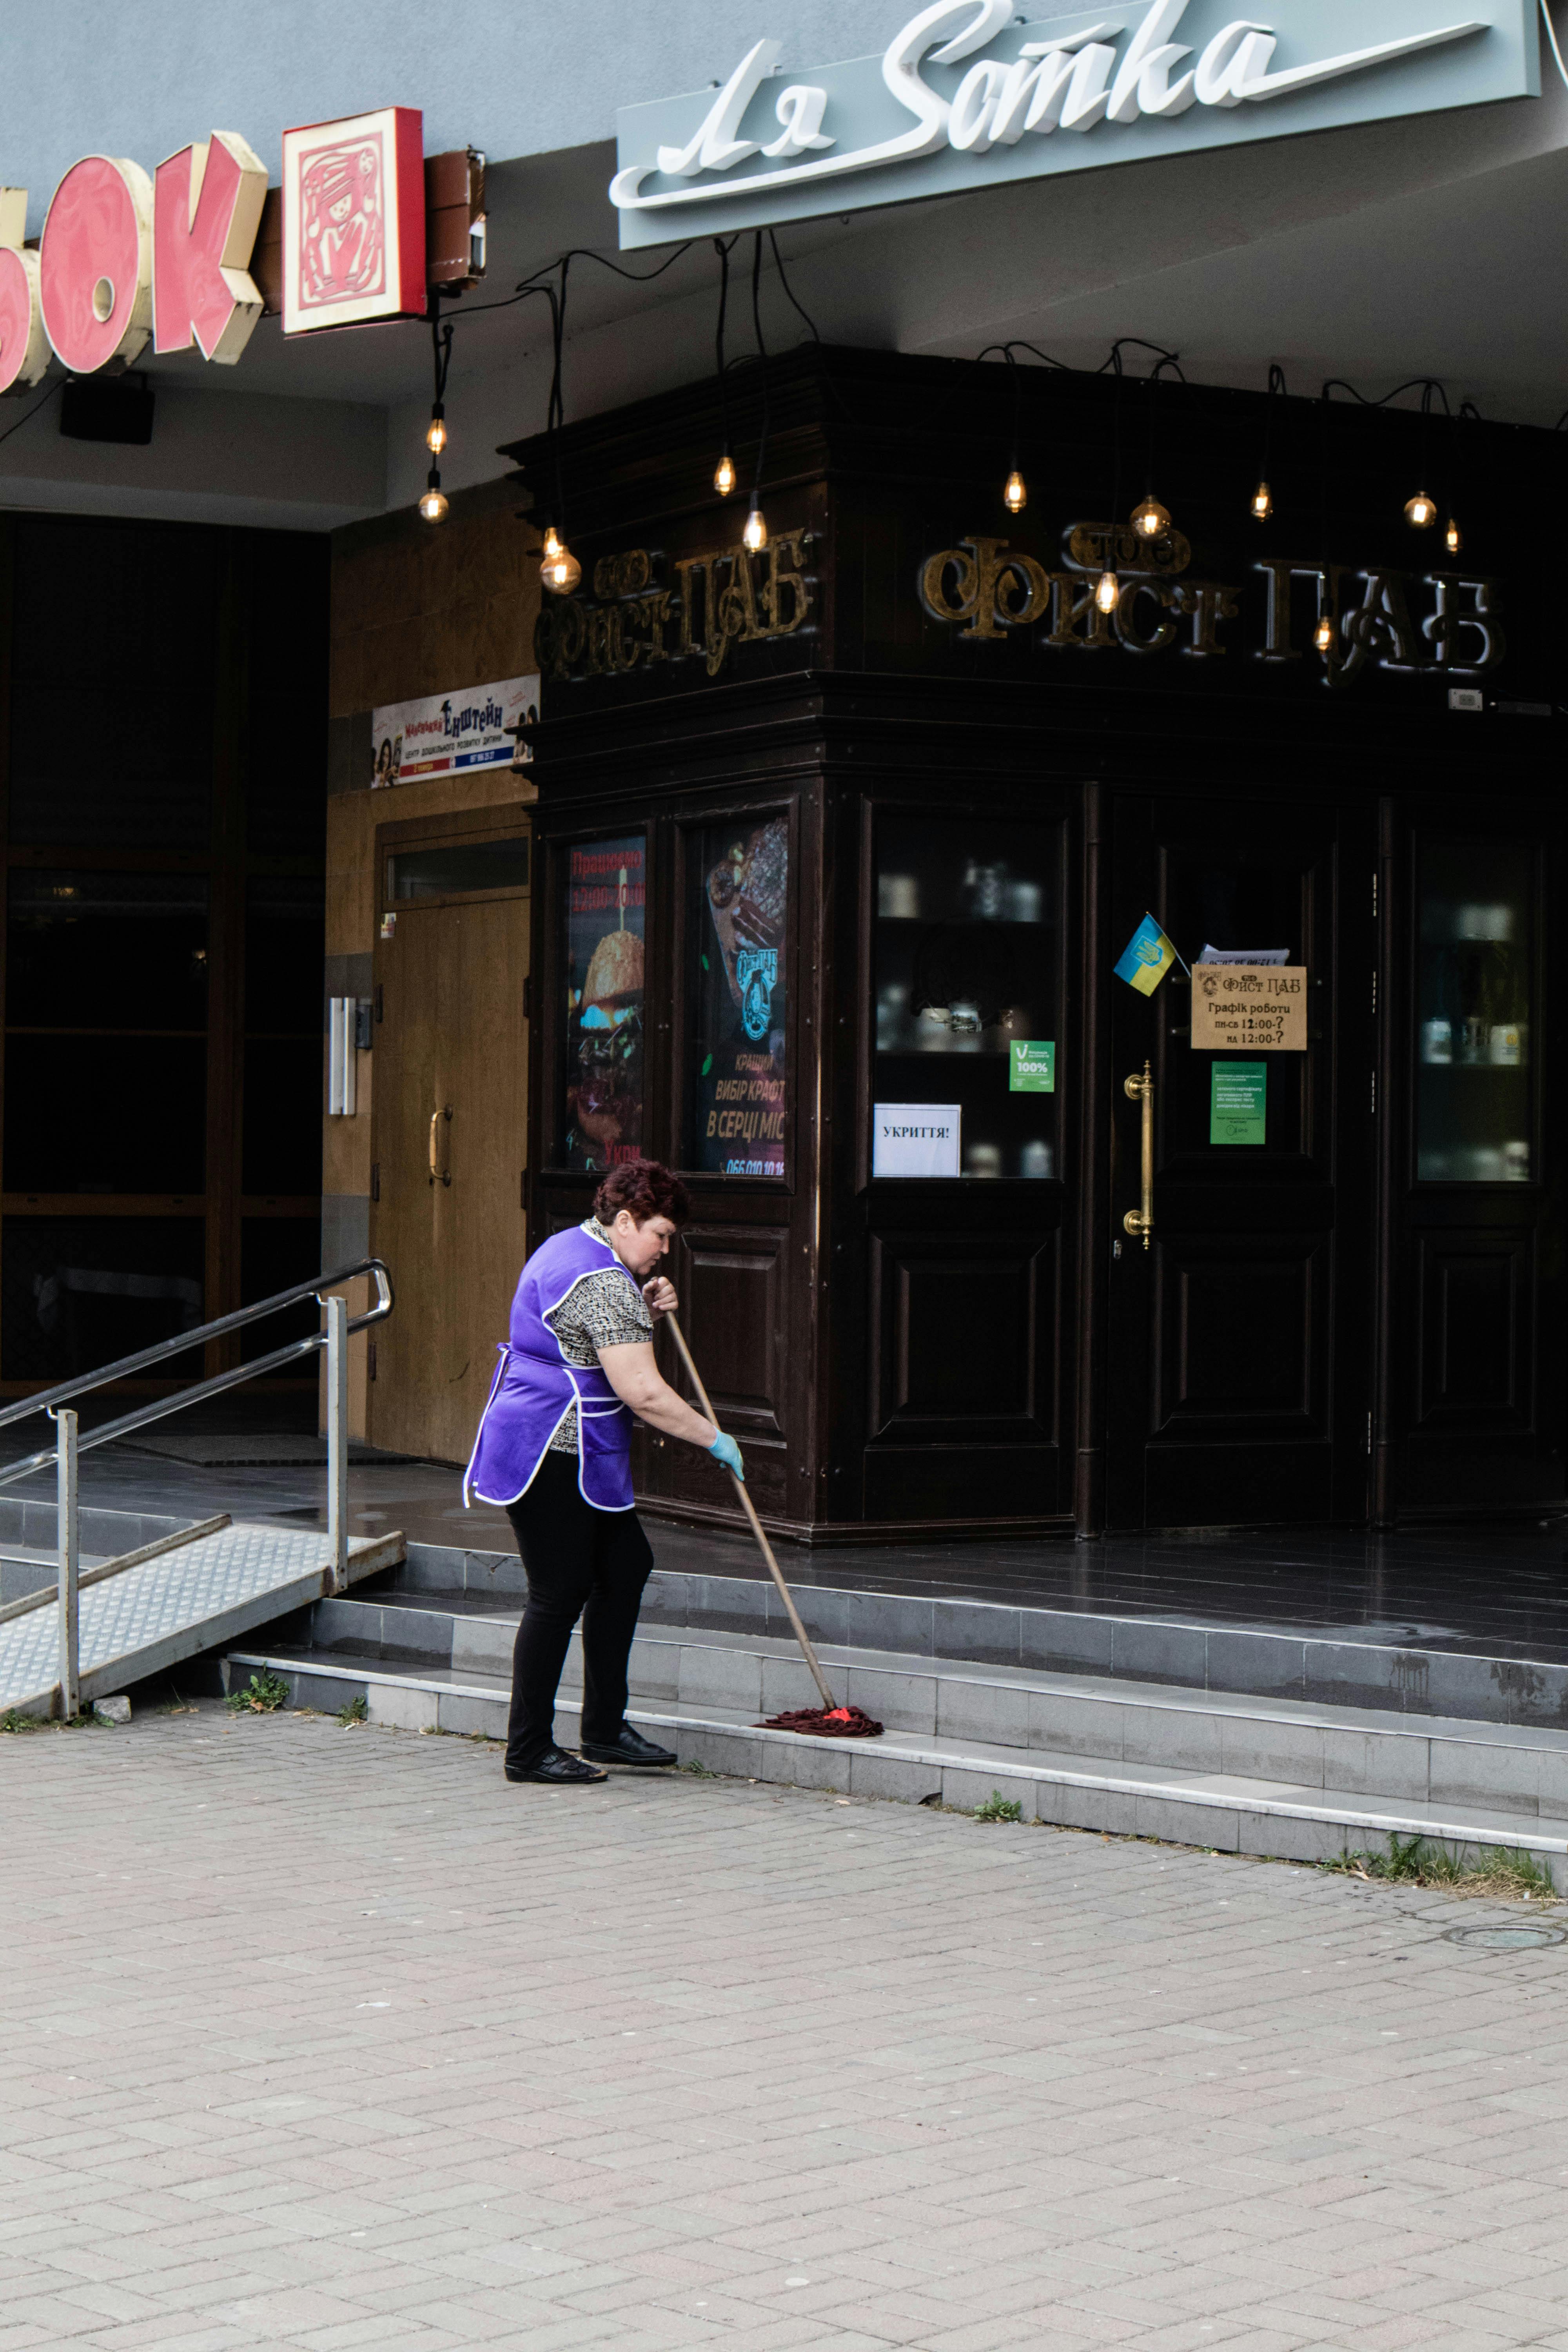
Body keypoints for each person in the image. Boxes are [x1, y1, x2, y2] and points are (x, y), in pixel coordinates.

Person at [463, 1158, 746, 1785]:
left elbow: (586, 1337)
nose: (666, 1249)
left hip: (575, 1446)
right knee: (558, 1592)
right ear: (624, 1220)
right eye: (661, 1235)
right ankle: (529, 1749)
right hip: (552, 1447)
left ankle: (604, 1731)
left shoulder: (576, 1246)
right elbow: (642, 1391)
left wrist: (640, 1299)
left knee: (624, 1565)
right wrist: (715, 1437)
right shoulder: (604, 1283)